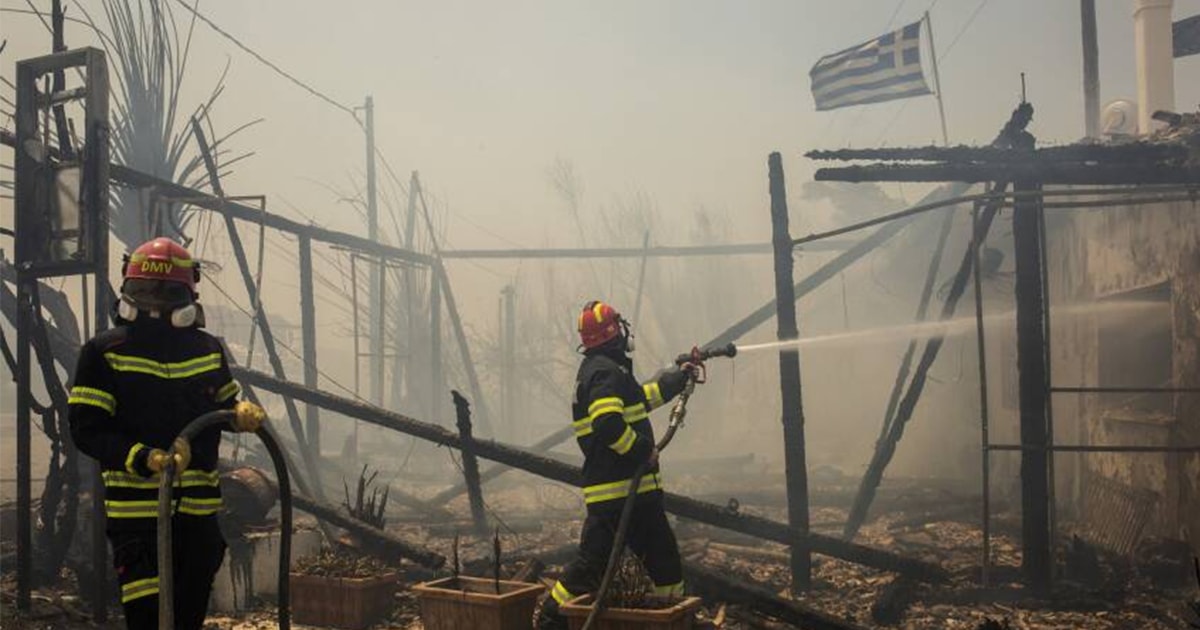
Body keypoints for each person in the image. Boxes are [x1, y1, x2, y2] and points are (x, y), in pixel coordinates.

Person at [68, 237, 266, 630]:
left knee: (189, 613)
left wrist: (239, 415)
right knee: (147, 615)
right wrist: (142, 457)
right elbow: (87, 429)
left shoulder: (207, 349)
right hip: (136, 518)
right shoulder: (104, 353)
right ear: (127, 291)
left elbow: (221, 409)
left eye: (166, 293)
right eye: (145, 291)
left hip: (198, 514)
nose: (154, 304)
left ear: (189, 295)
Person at [536, 300, 692, 629]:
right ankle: (552, 619)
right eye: (619, 327)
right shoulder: (605, 372)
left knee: (653, 562)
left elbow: (639, 399)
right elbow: (607, 423)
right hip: (621, 495)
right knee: (606, 565)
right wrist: (642, 451)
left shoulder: (605, 370)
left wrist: (677, 380)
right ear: (613, 333)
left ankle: (670, 619)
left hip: (624, 495)